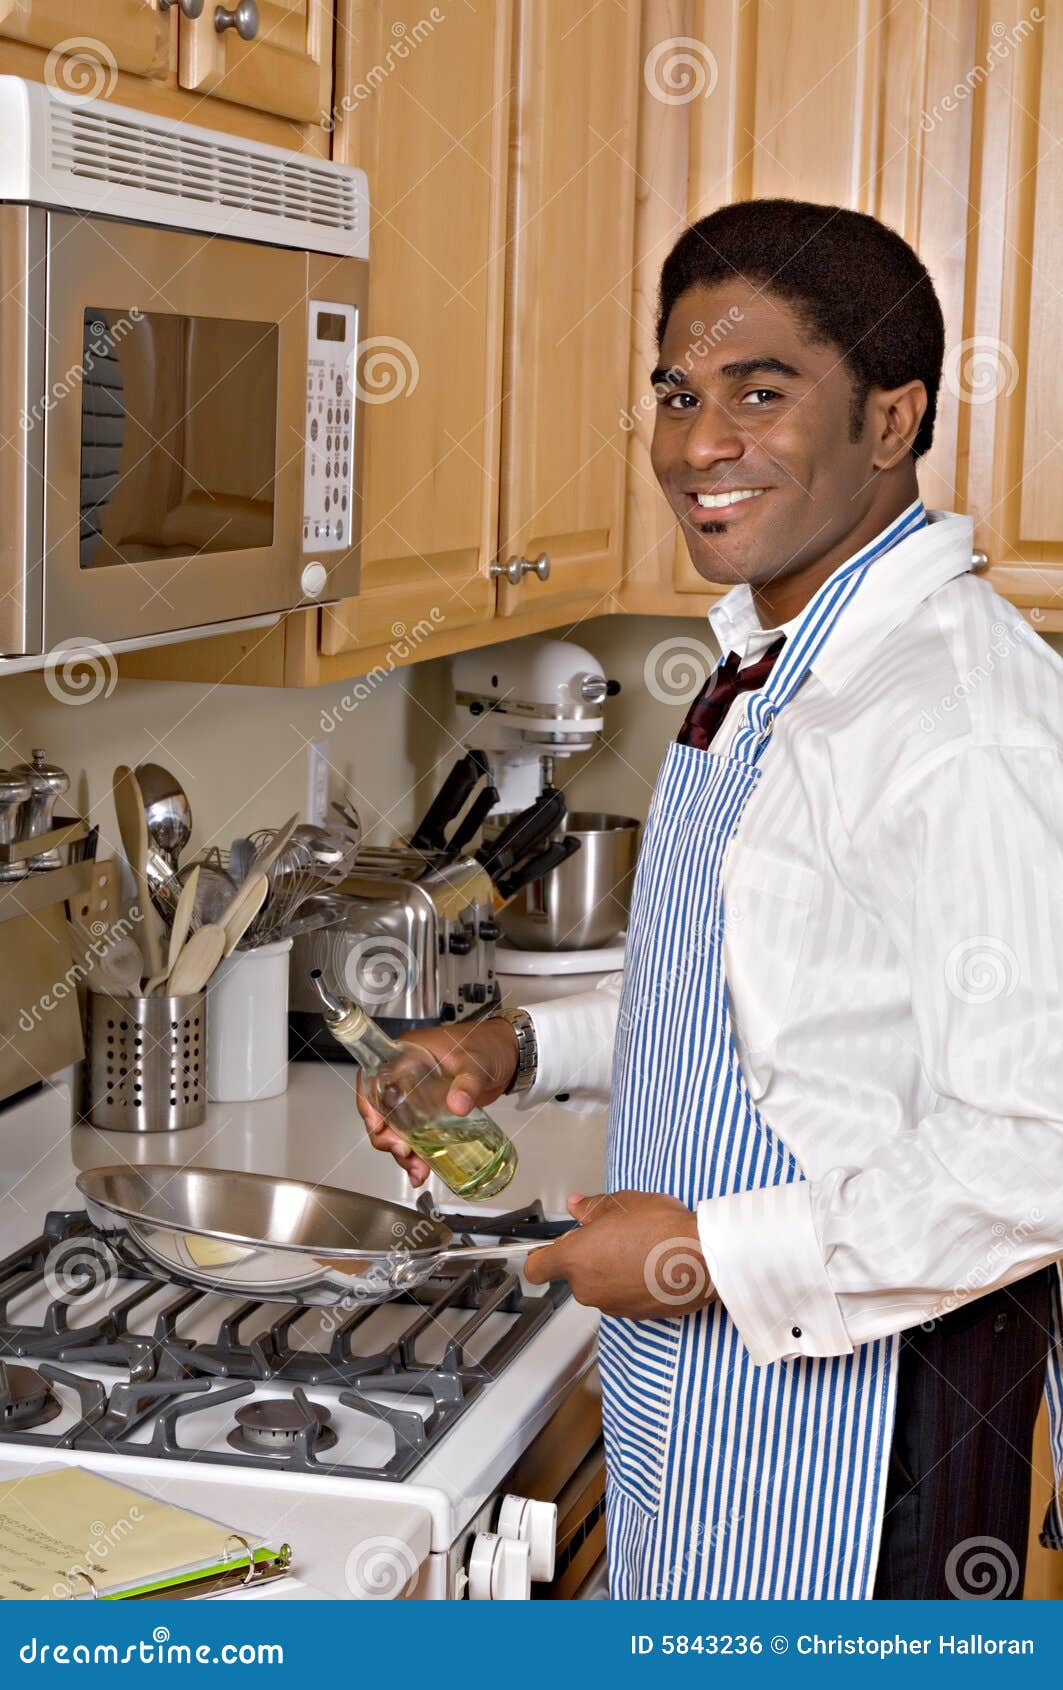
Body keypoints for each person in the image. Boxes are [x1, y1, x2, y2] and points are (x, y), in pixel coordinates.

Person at [358, 199, 1063, 1601]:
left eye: (761, 391)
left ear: (890, 419)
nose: (696, 444)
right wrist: (517, 1047)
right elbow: (769, 987)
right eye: (678, 393)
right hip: (712, 1402)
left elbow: (1034, 1148)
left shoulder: (958, 722)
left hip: (874, 1452)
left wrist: (694, 1248)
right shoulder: (774, 657)